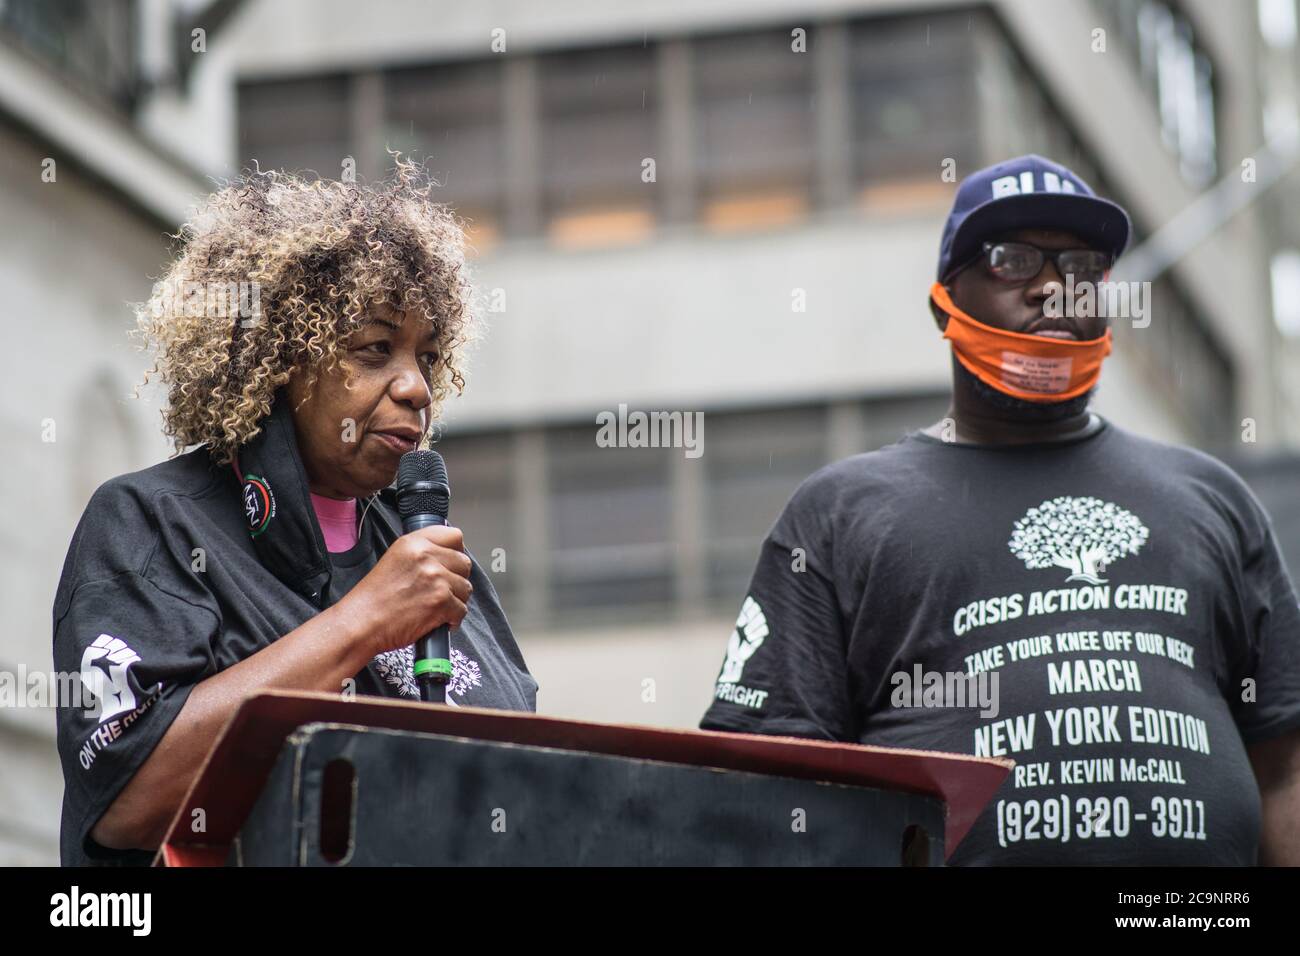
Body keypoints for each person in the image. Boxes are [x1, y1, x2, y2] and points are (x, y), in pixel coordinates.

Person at [699, 154, 1300, 865]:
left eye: (1079, 266)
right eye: (1012, 261)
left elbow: (1284, 769)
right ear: (943, 304)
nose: (1052, 288)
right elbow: (762, 791)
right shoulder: (842, 514)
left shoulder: (1213, 500)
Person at [53, 161, 538, 867]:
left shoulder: (434, 560)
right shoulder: (151, 523)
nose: (415, 387)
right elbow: (128, 799)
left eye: (427, 357)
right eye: (376, 349)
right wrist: (365, 621)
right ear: (280, 358)